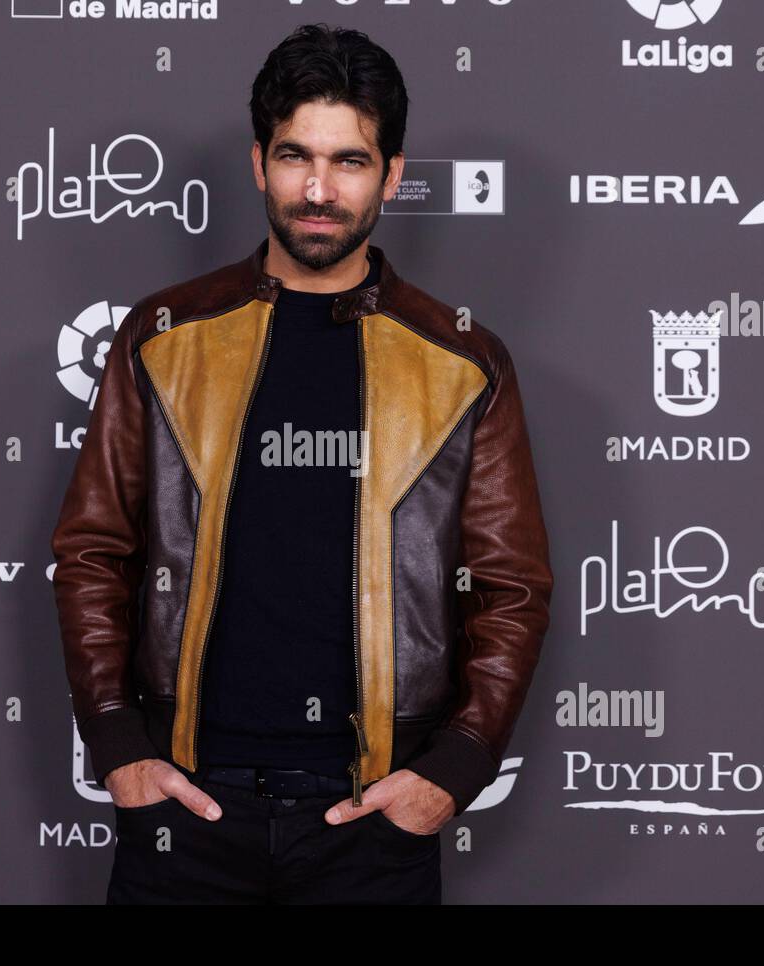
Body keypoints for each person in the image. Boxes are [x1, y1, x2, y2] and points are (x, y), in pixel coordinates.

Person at [50, 22, 553, 905]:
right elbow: (92, 549)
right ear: (258, 163)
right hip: (185, 808)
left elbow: (511, 584)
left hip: (370, 820)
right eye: (295, 157)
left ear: (393, 175)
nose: (318, 190)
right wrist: (119, 746)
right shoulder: (165, 338)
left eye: (350, 162)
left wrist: (457, 767)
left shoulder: (464, 363)